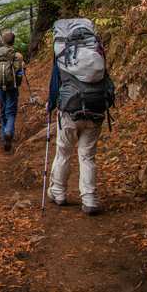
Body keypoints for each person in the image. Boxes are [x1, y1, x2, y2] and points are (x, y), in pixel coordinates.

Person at [45, 18, 112, 216]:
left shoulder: (63, 53)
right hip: (96, 109)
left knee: (64, 152)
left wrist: (51, 104)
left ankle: (58, 192)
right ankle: (90, 199)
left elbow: (55, 84)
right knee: (87, 156)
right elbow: (106, 81)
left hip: (69, 111)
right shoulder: (96, 50)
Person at [0, 31, 24, 152]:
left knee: (3, 111)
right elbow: (19, 72)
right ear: (13, 41)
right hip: (12, 87)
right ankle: (9, 132)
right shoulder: (17, 55)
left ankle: (4, 137)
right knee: (11, 112)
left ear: (3, 41)